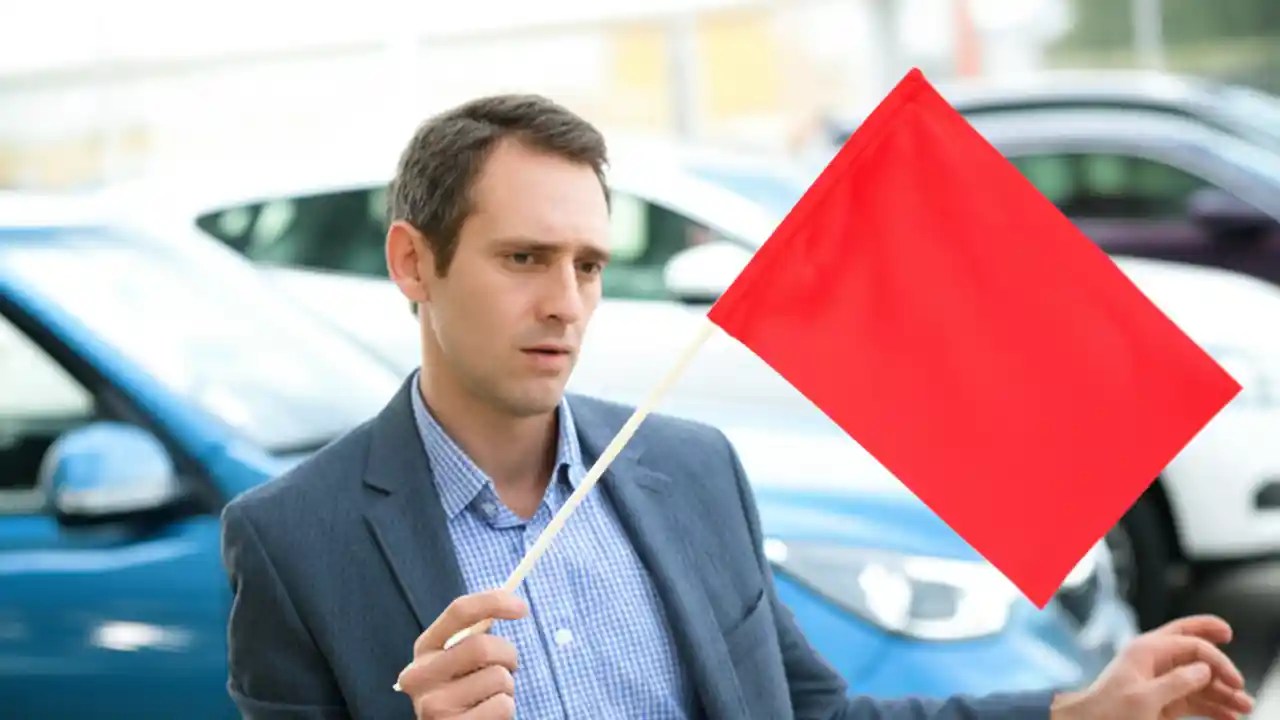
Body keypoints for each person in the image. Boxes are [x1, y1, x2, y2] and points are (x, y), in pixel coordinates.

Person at [220, 93, 1256, 720]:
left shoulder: (687, 471)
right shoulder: (295, 540)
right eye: (523, 258)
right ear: (414, 262)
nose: (563, 303)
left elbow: (811, 713)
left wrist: (1076, 707)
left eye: (586, 264)